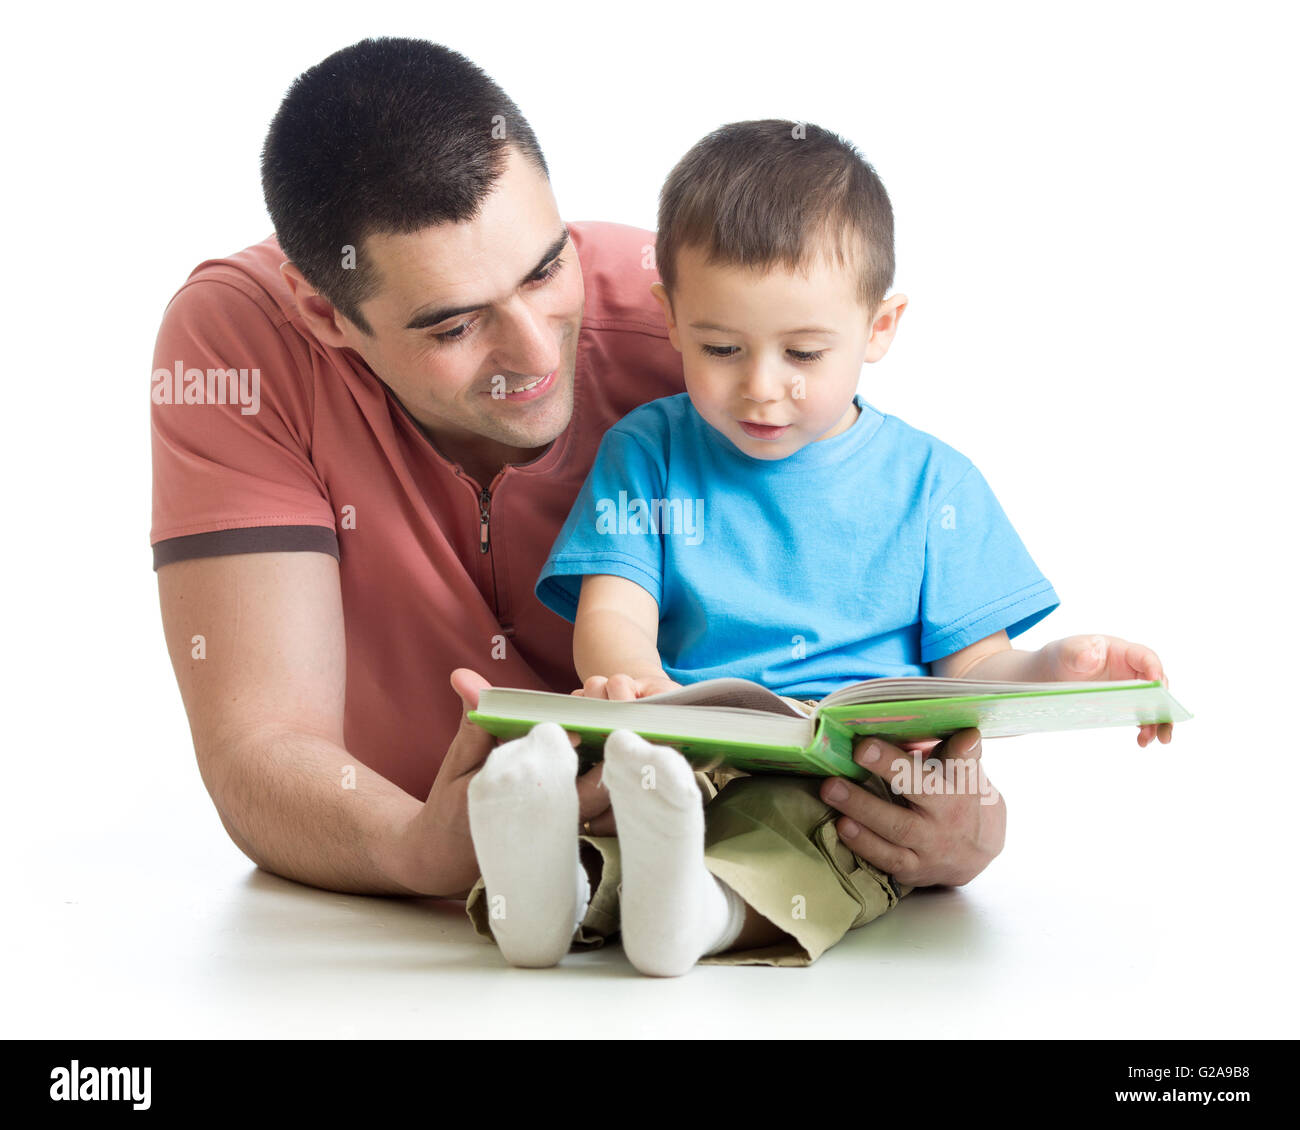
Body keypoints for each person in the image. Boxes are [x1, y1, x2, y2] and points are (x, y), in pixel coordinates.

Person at [150, 38, 1013, 932]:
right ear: (325, 314)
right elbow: (261, 748)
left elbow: (875, 613)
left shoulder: (706, 327)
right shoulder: (240, 345)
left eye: (546, 267)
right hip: (416, 925)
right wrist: (418, 849)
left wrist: (959, 824)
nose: (534, 353)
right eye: (452, 325)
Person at [464, 120, 1174, 976]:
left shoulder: (930, 486)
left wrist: (1064, 668)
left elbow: (980, 674)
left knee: (810, 842)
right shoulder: (645, 450)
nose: (762, 387)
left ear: (879, 328)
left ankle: (695, 914)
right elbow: (615, 609)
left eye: (804, 351)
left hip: (836, 778)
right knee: (606, 784)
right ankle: (548, 897)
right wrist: (633, 685)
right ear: (672, 319)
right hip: (677, 742)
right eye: (720, 348)